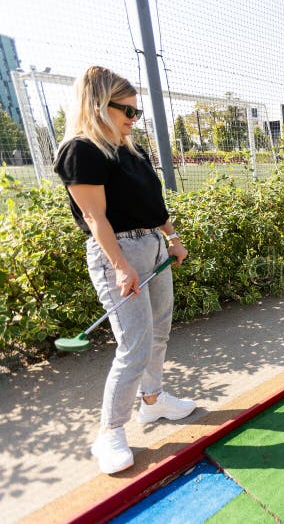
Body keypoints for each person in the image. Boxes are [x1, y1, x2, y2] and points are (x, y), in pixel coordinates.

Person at [54, 66, 196, 475]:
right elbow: (95, 217)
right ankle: (110, 433)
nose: (134, 120)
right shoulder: (81, 150)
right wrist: (119, 266)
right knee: (133, 344)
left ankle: (153, 401)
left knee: (160, 329)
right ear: (100, 106)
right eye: (128, 111)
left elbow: (154, 203)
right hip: (117, 251)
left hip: (151, 244)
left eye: (137, 112)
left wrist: (171, 237)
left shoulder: (130, 150)